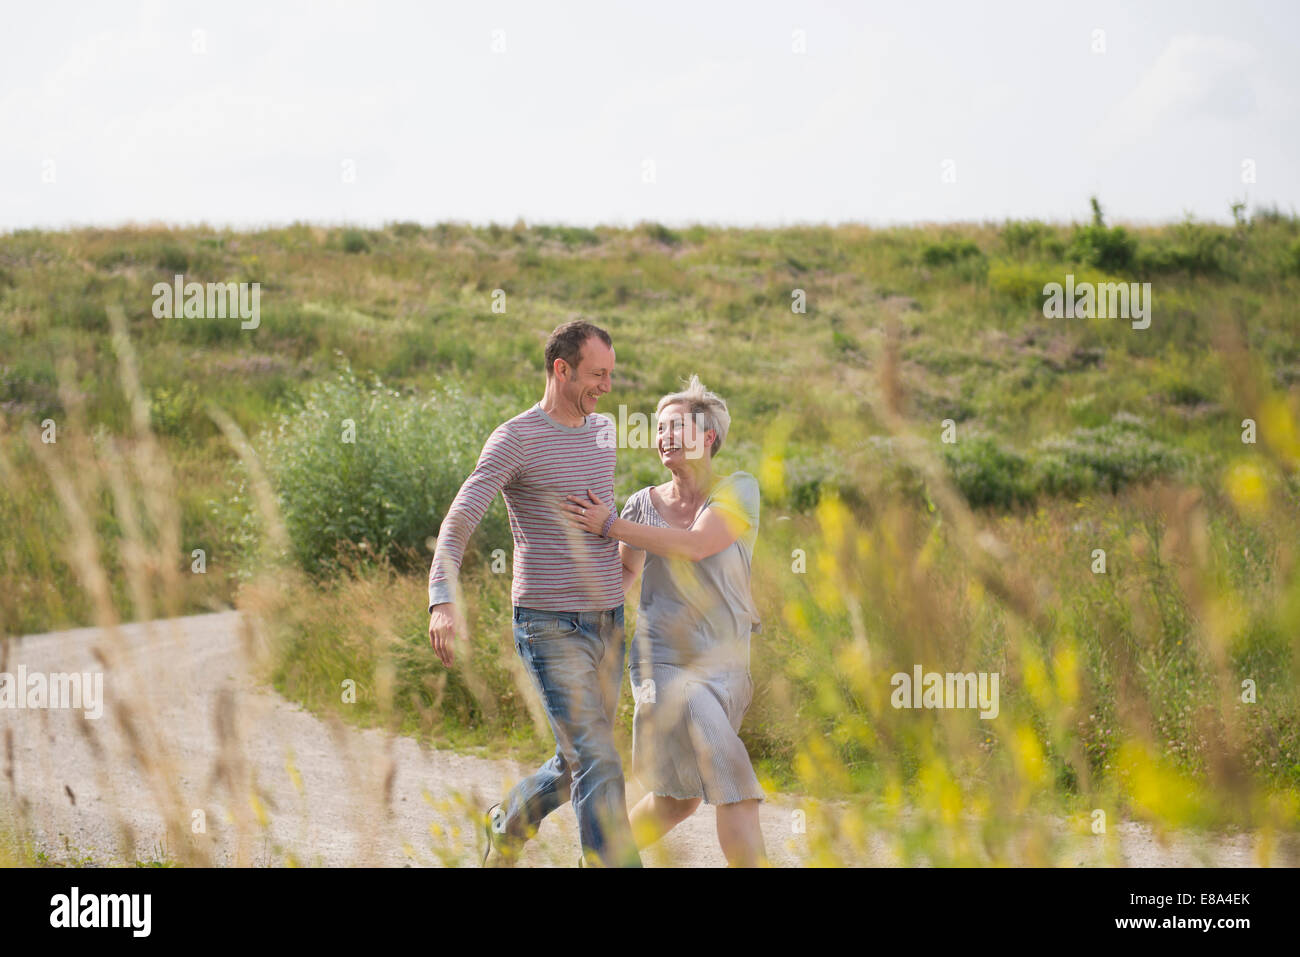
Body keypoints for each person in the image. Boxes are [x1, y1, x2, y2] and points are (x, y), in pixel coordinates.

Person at [427, 319, 641, 868]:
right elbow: (460, 518)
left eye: (611, 374)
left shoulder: (602, 431)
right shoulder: (516, 437)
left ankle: (508, 823)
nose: (607, 387)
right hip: (548, 623)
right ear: (560, 369)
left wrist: (616, 550)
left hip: (607, 619)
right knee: (597, 756)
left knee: (577, 761)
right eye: (597, 374)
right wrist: (443, 597)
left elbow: (598, 516)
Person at [564, 374, 767, 867]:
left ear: (709, 437)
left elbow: (698, 546)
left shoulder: (738, 491)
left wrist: (610, 525)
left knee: (679, 799)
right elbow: (625, 574)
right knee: (730, 768)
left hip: (726, 663)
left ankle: (602, 857)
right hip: (663, 665)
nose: (664, 438)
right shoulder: (641, 506)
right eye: (659, 429)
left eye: (677, 427)